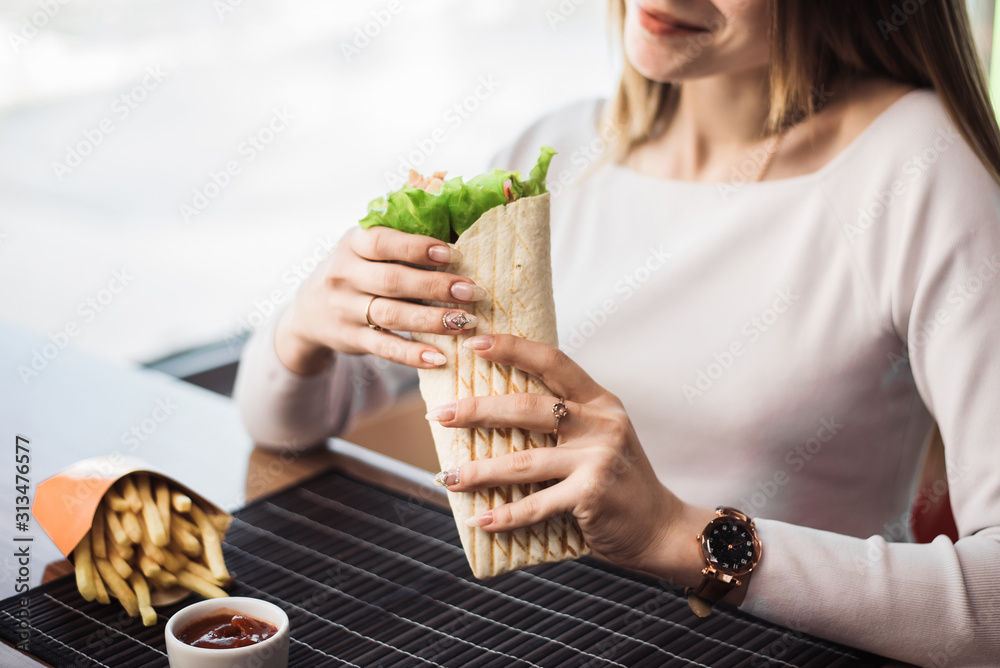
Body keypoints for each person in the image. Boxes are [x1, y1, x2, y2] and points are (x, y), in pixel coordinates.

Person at [234, 1, 1000, 664]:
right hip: (546, 630)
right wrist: (305, 328)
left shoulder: (925, 168)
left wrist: (677, 534)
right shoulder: (555, 156)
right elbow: (286, 424)